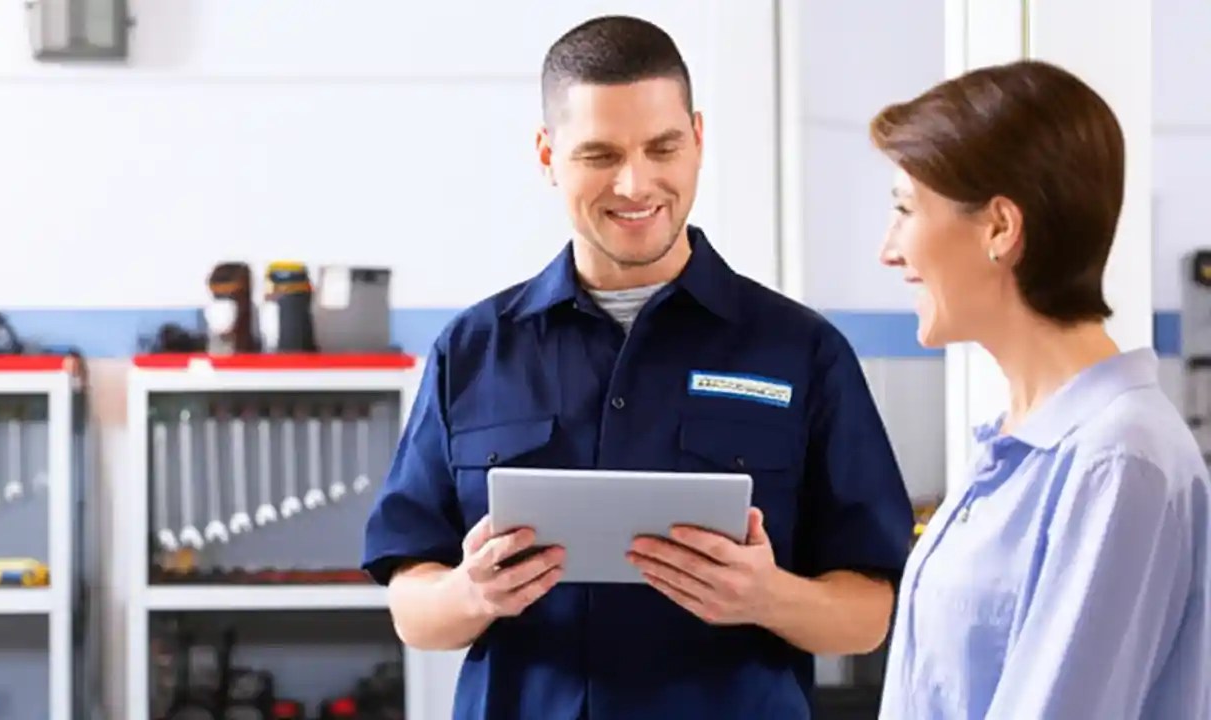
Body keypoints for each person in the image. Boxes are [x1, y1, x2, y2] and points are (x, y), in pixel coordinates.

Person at [362, 14, 914, 719]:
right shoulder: (471, 353)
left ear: (699, 140)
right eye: (599, 155)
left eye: (663, 147)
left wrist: (767, 596)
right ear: (547, 154)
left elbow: (869, 612)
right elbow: (413, 609)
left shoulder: (801, 351)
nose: (636, 183)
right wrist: (472, 592)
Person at [870, 59, 1211, 719]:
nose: (889, 250)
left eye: (906, 211)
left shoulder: (1119, 460)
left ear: (1000, 227)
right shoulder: (1014, 444)